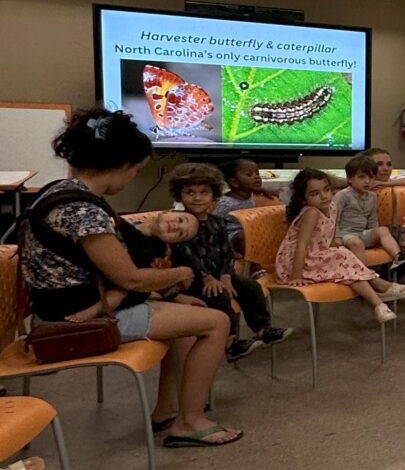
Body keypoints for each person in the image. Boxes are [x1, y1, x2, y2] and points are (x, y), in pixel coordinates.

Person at [20, 106, 241, 447]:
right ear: (123, 165)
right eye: (136, 170)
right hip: (73, 320)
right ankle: (190, 421)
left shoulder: (58, 191)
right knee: (216, 323)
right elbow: (133, 279)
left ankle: (168, 409)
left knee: (191, 320)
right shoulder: (84, 211)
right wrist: (181, 274)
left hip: (76, 305)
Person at [169, 162, 290, 361]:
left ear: (213, 196)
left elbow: (226, 251)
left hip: (219, 274)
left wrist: (226, 275)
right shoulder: (180, 223)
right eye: (190, 192)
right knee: (220, 295)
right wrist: (208, 278)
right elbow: (186, 255)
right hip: (193, 280)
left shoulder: (217, 222)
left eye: (203, 192)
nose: (197, 197)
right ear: (179, 195)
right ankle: (231, 342)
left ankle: (262, 328)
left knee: (251, 287)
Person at [274, 170, 405, 323]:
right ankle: (381, 287)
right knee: (343, 258)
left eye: (327, 190)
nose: (324, 196)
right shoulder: (311, 213)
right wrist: (296, 276)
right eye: (315, 194)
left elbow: (327, 236)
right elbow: (301, 246)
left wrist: (335, 245)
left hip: (317, 256)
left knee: (344, 259)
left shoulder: (333, 207)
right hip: (297, 263)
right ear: (303, 198)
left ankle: (379, 305)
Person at [333, 153, 400, 266]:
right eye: (362, 177)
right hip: (346, 235)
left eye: (371, 177)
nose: (367, 181)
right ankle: (362, 275)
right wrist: (336, 237)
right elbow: (334, 218)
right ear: (350, 179)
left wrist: (375, 235)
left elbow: (372, 220)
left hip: (362, 233)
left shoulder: (372, 196)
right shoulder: (343, 195)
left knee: (382, 230)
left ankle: (398, 258)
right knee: (356, 243)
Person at [217, 155, 283, 215]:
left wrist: (262, 190)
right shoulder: (224, 204)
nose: (256, 177)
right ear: (234, 182)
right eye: (249, 174)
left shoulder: (250, 195)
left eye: (257, 173)